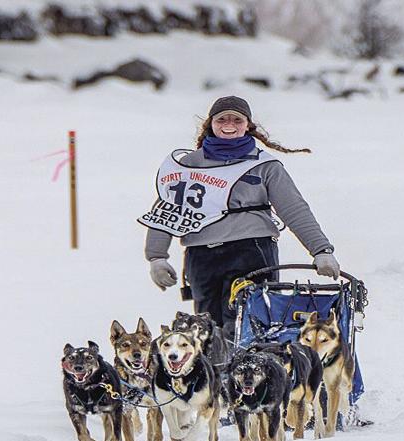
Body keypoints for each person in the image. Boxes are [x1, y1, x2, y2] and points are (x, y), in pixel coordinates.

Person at [140, 96, 339, 332]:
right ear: (210, 124)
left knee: (246, 326)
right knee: (207, 332)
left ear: (248, 125)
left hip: (250, 252)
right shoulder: (188, 165)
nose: (229, 125)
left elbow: (294, 209)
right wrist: (157, 257)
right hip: (201, 258)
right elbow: (167, 209)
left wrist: (321, 250)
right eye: (222, 119)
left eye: (237, 119)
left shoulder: (264, 166)